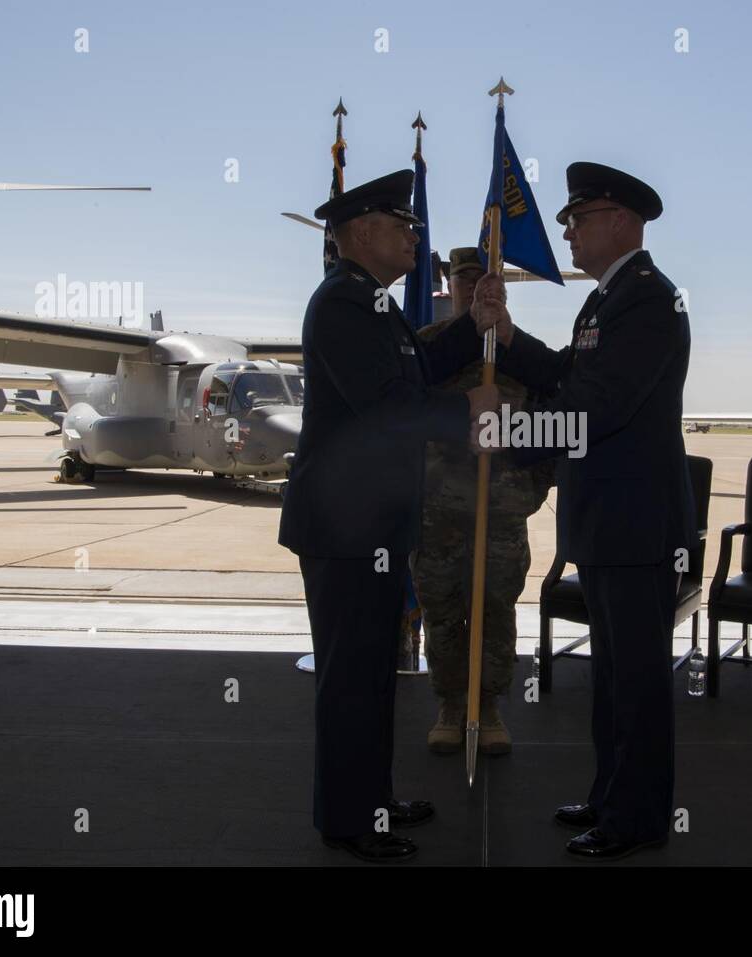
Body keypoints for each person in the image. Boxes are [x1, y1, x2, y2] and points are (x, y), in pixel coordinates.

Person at [472, 162, 696, 861]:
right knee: (613, 678)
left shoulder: (651, 300)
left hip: (635, 522)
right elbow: (571, 373)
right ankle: (611, 795)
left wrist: (508, 430)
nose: (567, 229)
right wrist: (508, 338)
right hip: (607, 518)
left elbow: (598, 407)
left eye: (579, 217)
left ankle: (637, 817)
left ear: (623, 221)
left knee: (637, 681)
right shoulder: (607, 299)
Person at [278, 171, 500, 863]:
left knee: (373, 673)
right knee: (351, 677)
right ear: (363, 233)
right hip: (345, 528)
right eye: (402, 226)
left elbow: (419, 364)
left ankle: (371, 797)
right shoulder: (343, 304)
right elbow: (385, 406)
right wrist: (465, 411)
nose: (415, 235)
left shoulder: (372, 305)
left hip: (370, 523)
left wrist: (473, 326)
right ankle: (349, 818)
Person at [412, 248, 553, 756]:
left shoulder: (519, 350)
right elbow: (401, 413)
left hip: (500, 511)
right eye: (463, 278)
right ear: (448, 285)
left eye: (485, 280)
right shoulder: (427, 347)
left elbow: (553, 425)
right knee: (443, 610)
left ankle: (488, 704)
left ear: (503, 290)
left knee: (496, 607)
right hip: (438, 514)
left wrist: (530, 490)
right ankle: (451, 704)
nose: (473, 288)